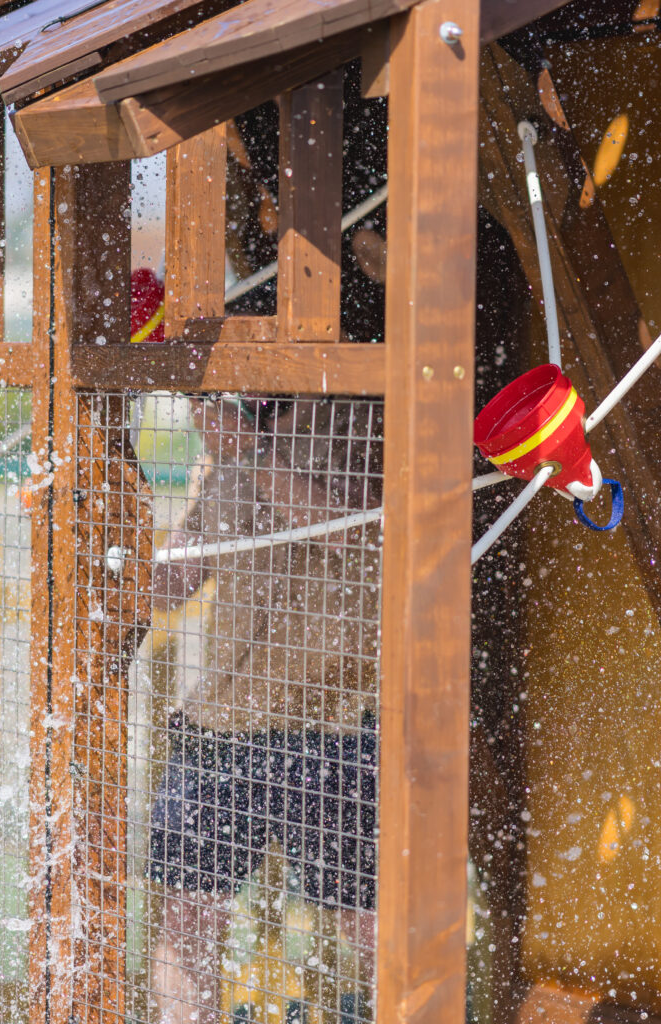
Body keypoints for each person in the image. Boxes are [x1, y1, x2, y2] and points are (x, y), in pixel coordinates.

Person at [147, 392, 384, 1024]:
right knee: (185, 914)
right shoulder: (222, 456)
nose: (199, 412)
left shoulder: (362, 428)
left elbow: (365, 540)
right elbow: (172, 582)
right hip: (222, 721)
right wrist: (110, 520)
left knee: (368, 920)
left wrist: (251, 451)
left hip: (333, 720)